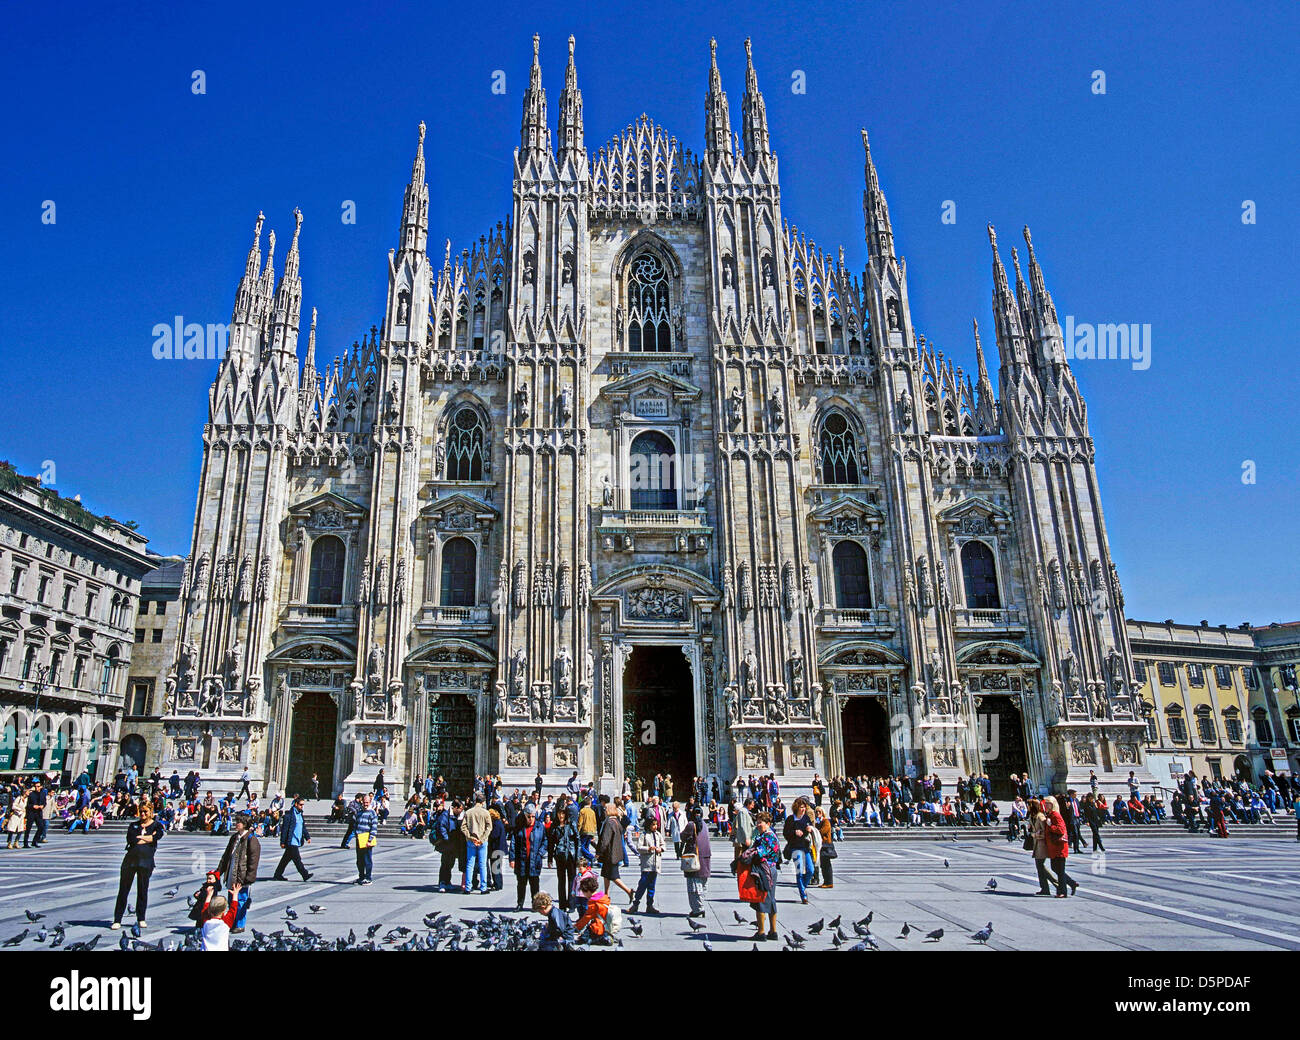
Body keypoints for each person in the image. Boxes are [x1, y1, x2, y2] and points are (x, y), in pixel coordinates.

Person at [112, 802, 163, 930]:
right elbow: (132, 839)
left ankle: (141, 918)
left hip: (146, 862)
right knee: (123, 890)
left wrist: (144, 838)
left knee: (142, 890)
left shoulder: (157, 825)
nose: (143, 814)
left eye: (146, 811)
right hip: (130, 862)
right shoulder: (133, 825)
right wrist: (146, 837)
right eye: (141, 811)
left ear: (151, 811)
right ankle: (117, 919)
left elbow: (156, 837)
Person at [216, 812, 261, 933]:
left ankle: (240, 924)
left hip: (242, 875)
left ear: (245, 824)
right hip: (232, 873)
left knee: (241, 900)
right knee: (232, 900)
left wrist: (250, 877)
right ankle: (232, 922)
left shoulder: (251, 839)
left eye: (239, 822)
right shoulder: (235, 837)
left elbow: (253, 861)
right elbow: (226, 856)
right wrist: (218, 871)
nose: (237, 824)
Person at [741, 810, 780, 941]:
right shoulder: (765, 835)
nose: (758, 825)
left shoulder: (768, 836)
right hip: (770, 869)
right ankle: (773, 931)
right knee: (770, 898)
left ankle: (761, 932)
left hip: (765, 870)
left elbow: (760, 852)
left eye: (760, 823)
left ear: (768, 823)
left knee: (761, 898)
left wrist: (748, 853)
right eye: (757, 822)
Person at [596, 799, 634, 900]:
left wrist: (599, 852)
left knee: (614, 876)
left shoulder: (609, 822)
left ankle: (629, 891)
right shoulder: (616, 821)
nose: (604, 811)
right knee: (606, 874)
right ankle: (606, 894)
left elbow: (605, 839)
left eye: (605, 809)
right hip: (615, 852)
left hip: (610, 854)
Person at [510, 804, 546, 910]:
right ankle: (520, 904)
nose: (531, 819)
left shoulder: (539, 827)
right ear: (525, 816)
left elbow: (545, 841)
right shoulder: (519, 827)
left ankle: (535, 905)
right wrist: (512, 859)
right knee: (521, 883)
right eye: (529, 816)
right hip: (522, 859)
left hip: (535, 859)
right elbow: (513, 843)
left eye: (533, 816)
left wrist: (540, 853)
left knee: (534, 883)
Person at [271, 795, 313, 881]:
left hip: (297, 840)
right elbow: (285, 829)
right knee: (297, 859)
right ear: (296, 804)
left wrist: (307, 837)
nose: (302, 806)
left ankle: (277, 874)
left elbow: (302, 827)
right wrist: (282, 842)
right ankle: (305, 875)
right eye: (301, 804)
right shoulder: (289, 815)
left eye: (303, 805)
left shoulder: (300, 815)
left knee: (285, 859)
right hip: (291, 841)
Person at [1043, 795, 1078, 898]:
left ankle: (1062, 892)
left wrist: (1050, 825)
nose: (1045, 805)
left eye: (1047, 803)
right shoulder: (1049, 815)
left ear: (1052, 804)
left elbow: (1061, 830)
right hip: (1054, 847)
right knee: (1055, 868)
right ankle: (1071, 883)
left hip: (1059, 847)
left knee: (1060, 870)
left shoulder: (1056, 815)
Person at [783, 797, 816, 904]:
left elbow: (809, 829)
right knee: (799, 871)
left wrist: (809, 829)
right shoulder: (790, 819)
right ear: (796, 808)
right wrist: (794, 832)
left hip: (805, 847)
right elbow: (786, 833)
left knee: (811, 870)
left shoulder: (806, 818)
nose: (803, 809)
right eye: (801, 807)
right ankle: (803, 895)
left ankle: (802, 886)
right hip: (795, 847)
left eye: (804, 807)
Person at [680, 806, 712, 917]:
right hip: (705, 857)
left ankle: (698, 908)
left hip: (694, 857)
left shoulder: (691, 825)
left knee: (693, 884)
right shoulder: (705, 825)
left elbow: (682, 837)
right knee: (703, 883)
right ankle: (701, 905)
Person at [547, 805, 580, 911]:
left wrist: (578, 856)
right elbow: (551, 842)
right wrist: (550, 858)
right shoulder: (554, 825)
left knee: (572, 879)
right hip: (560, 855)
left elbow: (577, 840)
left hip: (571, 854)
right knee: (561, 880)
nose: (561, 815)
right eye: (559, 813)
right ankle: (562, 904)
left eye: (563, 813)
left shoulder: (571, 824)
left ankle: (571, 904)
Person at [630, 813, 664, 914]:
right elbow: (639, 847)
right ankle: (635, 903)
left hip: (655, 865)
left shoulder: (658, 835)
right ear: (648, 825)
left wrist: (660, 849)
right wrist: (648, 849)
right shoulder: (644, 835)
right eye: (653, 824)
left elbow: (663, 844)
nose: (655, 826)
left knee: (652, 886)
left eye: (656, 824)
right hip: (647, 865)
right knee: (643, 884)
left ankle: (650, 905)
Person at [462, 792, 492, 894]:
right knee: (482, 864)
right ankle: (483, 887)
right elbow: (489, 827)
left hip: (471, 840)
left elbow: (463, 827)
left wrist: (470, 837)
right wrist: (482, 838)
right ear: (483, 802)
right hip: (482, 841)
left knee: (470, 864)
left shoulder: (468, 812)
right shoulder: (486, 813)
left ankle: (468, 887)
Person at [1028, 798, 1056, 896]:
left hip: (1042, 845)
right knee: (1040, 867)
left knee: (1040, 866)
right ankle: (1045, 888)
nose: (1027, 807)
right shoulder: (1033, 816)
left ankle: (1056, 884)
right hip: (1037, 845)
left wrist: (1035, 834)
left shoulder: (1040, 816)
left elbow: (1046, 831)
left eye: (1028, 805)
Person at [574, 875, 612, 945]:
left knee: (584, 937)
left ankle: (601, 939)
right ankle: (605, 936)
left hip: (598, 926)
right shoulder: (603, 897)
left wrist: (576, 927)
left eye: (583, 893)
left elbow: (587, 917)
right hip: (607, 925)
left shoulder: (593, 903)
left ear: (588, 891)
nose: (584, 895)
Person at [352, 792, 379, 885]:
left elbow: (374, 827)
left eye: (367, 802)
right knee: (359, 860)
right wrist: (356, 834)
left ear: (370, 802)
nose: (365, 804)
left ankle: (368, 878)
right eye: (364, 802)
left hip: (367, 838)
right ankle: (361, 876)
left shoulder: (372, 813)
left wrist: (370, 840)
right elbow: (356, 824)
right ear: (361, 802)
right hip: (359, 838)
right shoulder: (359, 812)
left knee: (367, 859)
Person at [815, 805, 836, 889]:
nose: (818, 813)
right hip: (821, 845)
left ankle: (829, 882)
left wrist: (815, 831)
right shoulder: (818, 822)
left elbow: (823, 831)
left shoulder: (825, 821)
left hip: (826, 844)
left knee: (826, 864)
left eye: (819, 812)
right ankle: (826, 881)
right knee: (823, 864)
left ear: (823, 813)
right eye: (816, 812)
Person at [731, 797, 754, 874]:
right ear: (748, 804)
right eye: (752, 804)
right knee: (744, 854)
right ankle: (735, 866)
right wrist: (746, 837)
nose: (753, 806)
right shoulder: (743, 812)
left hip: (746, 837)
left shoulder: (745, 811)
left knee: (744, 854)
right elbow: (743, 826)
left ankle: (740, 867)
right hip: (745, 838)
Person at [23, 778, 48, 848]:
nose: (37, 788)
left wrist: (42, 806)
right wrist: (33, 806)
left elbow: (45, 802)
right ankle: (25, 842)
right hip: (31, 812)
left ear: (41, 786)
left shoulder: (43, 794)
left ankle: (35, 841)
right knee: (28, 828)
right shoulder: (31, 794)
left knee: (41, 827)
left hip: (39, 812)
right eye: (36, 786)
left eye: (38, 786)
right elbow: (27, 805)